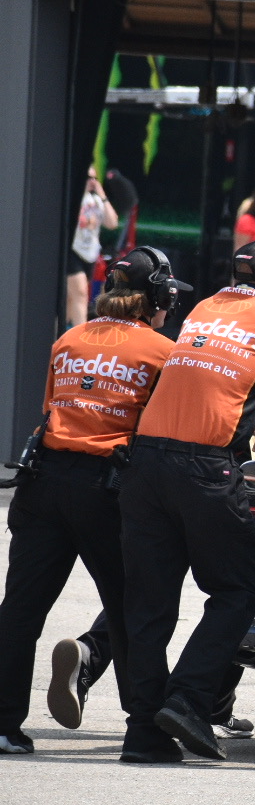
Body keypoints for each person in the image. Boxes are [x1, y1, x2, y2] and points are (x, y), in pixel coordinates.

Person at [51, 247, 255, 740]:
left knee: (149, 602)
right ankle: (188, 700)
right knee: (238, 592)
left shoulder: (207, 308)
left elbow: (223, 375)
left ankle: (145, 735)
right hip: (205, 466)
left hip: (145, 464)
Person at [0, 248, 182, 756]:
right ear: (158, 295)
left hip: (43, 482)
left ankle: (2, 725)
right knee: (131, 612)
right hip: (107, 491)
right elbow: (160, 431)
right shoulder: (161, 352)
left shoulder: (69, 339)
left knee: (20, 611)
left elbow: (51, 408)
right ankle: (144, 731)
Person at [65, 166, 120, 328]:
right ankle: (80, 337)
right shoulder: (75, 198)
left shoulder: (95, 200)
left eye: (95, 178)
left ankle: (56, 332)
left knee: (71, 299)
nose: (92, 182)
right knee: (80, 294)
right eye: (89, 178)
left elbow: (112, 223)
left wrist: (102, 195)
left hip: (89, 253)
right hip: (73, 250)